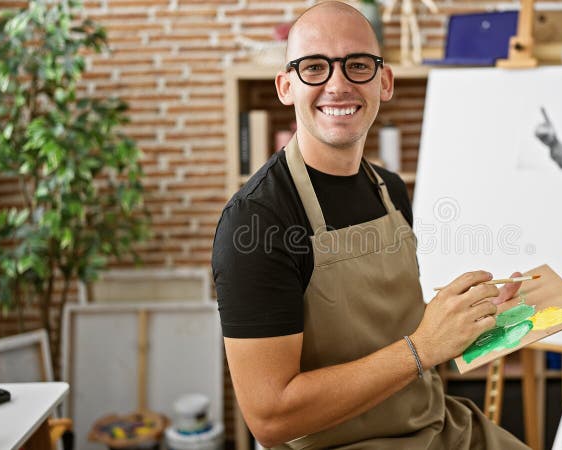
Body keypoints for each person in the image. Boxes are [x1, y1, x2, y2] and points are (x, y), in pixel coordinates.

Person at [211, 2, 531, 448]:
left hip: (436, 427)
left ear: (385, 82)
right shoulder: (258, 221)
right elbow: (270, 416)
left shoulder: (390, 189)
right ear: (286, 86)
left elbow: (379, 328)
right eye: (314, 67)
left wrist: (471, 317)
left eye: (357, 65)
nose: (338, 85)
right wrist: (424, 347)